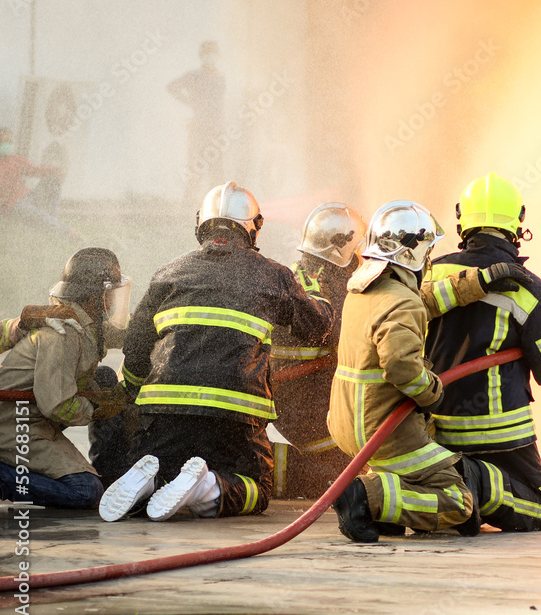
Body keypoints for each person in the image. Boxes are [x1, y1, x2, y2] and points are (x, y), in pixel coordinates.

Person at [100, 182, 335, 522]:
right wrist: (316, 289)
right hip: (232, 415)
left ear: (201, 224)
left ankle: (150, 481)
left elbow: (136, 344)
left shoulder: (168, 272)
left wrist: (135, 390)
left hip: (164, 412)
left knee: (165, 465)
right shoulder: (273, 275)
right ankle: (207, 487)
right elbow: (317, 327)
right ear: (254, 227)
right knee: (257, 487)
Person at [327, 200, 532, 542]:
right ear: (412, 253)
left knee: (422, 481)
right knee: (458, 501)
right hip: (385, 430)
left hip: (348, 421)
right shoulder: (399, 300)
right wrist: (433, 392)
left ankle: (383, 506)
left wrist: (479, 282)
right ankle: (367, 497)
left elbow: (424, 302)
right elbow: (401, 364)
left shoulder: (367, 291)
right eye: (428, 250)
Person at [424, 173, 541, 533]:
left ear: (462, 219)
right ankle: (475, 480)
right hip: (499, 435)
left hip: (434, 431)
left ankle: (453, 481)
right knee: (538, 508)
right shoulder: (524, 284)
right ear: (518, 222)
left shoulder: (431, 271)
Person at [0, 248, 132, 509]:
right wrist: (96, 408)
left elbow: (121, 333)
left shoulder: (81, 324)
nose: (114, 300)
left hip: (35, 419)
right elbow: (56, 404)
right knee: (85, 490)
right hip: (18, 425)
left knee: (103, 377)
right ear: (97, 297)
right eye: (111, 293)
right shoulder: (64, 332)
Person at [270, 203, 367, 499]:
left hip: (285, 407)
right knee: (351, 472)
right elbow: (354, 344)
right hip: (311, 411)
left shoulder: (296, 273)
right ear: (345, 249)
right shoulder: (333, 286)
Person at [167, 41, 225, 204]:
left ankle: (216, 204)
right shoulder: (194, 76)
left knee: (216, 169)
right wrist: (189, 102)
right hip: (198, 128)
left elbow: (221, 105)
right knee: (195, 166)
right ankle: (189, 202)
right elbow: (172, 87)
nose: (210, 57)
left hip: (216, 129)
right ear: (202, 56)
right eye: (207, 53)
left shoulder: (221, 78)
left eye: (213, 53)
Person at [0, 127, 73, 236]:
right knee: (39, 217)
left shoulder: (15, 159)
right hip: (13, 205)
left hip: (28, 197)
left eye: (9, 142)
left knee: (53, 181)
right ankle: (68, 233)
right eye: (4, 142)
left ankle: (53, 221)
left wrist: (54, 170)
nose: (7, 145)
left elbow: (35, 170)